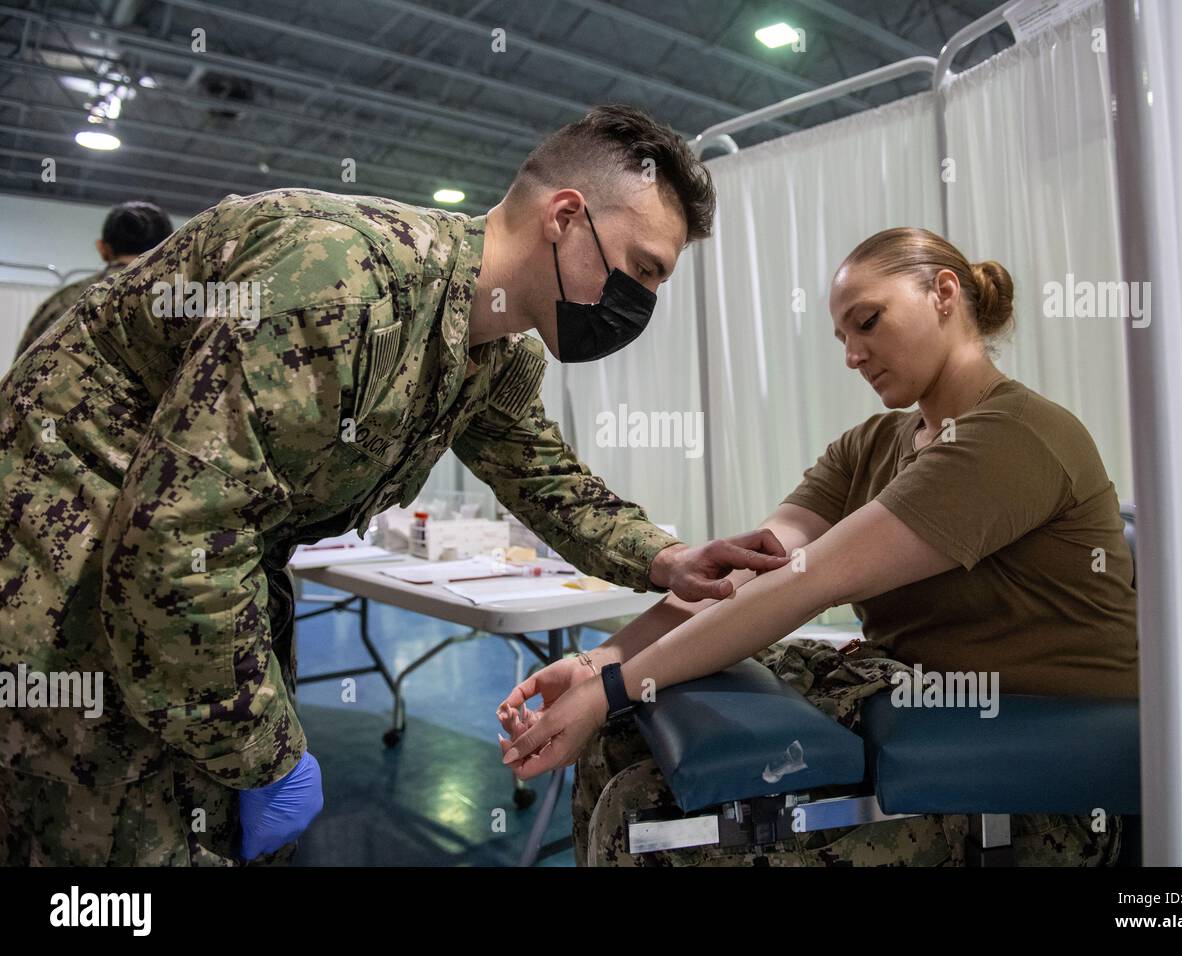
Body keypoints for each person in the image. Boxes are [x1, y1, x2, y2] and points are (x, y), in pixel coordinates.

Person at [0, 104, 788, 866]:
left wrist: (668, 559)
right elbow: (179, 540)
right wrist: (264, 754)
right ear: (566, 216)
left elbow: (548, 480)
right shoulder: (344, 288)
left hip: (182, 563)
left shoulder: (497, 351)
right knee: (109, 837)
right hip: (66, 553)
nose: (640, 303)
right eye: (642, 270)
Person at [498, 226, 1140, 867]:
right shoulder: (872, 444)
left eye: (868, 322)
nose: (853, 355)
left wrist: (612, 684)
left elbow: (810, 582)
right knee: (615, 736)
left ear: (944, 294)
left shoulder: (1012, 436)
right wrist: (598, 667)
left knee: (644, 812)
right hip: (918, 709)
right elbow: (750, 573)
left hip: (1034, 776)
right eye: (842, 337)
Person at [14, 200, 172, 358]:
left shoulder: (61, 302)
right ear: (170, 250)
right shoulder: (180, 302)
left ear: (102, 249)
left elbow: (19, 372)